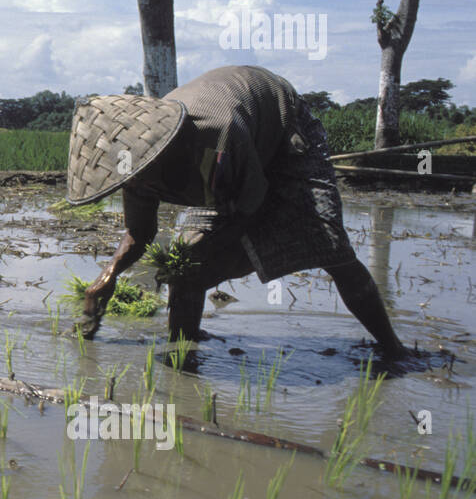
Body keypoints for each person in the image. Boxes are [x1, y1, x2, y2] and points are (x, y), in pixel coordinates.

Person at [67, 65, 409, 364]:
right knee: (185, 265)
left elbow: (251, 205)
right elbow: (140, 235)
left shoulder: (216, 135)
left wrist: (211, 252)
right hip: (232, 154)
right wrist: (108, 276)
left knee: (330, 246)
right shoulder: (133, 167)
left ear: (162, 153)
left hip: (284, 134)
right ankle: (183, 356)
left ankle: (395, 350)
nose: (139, 184)